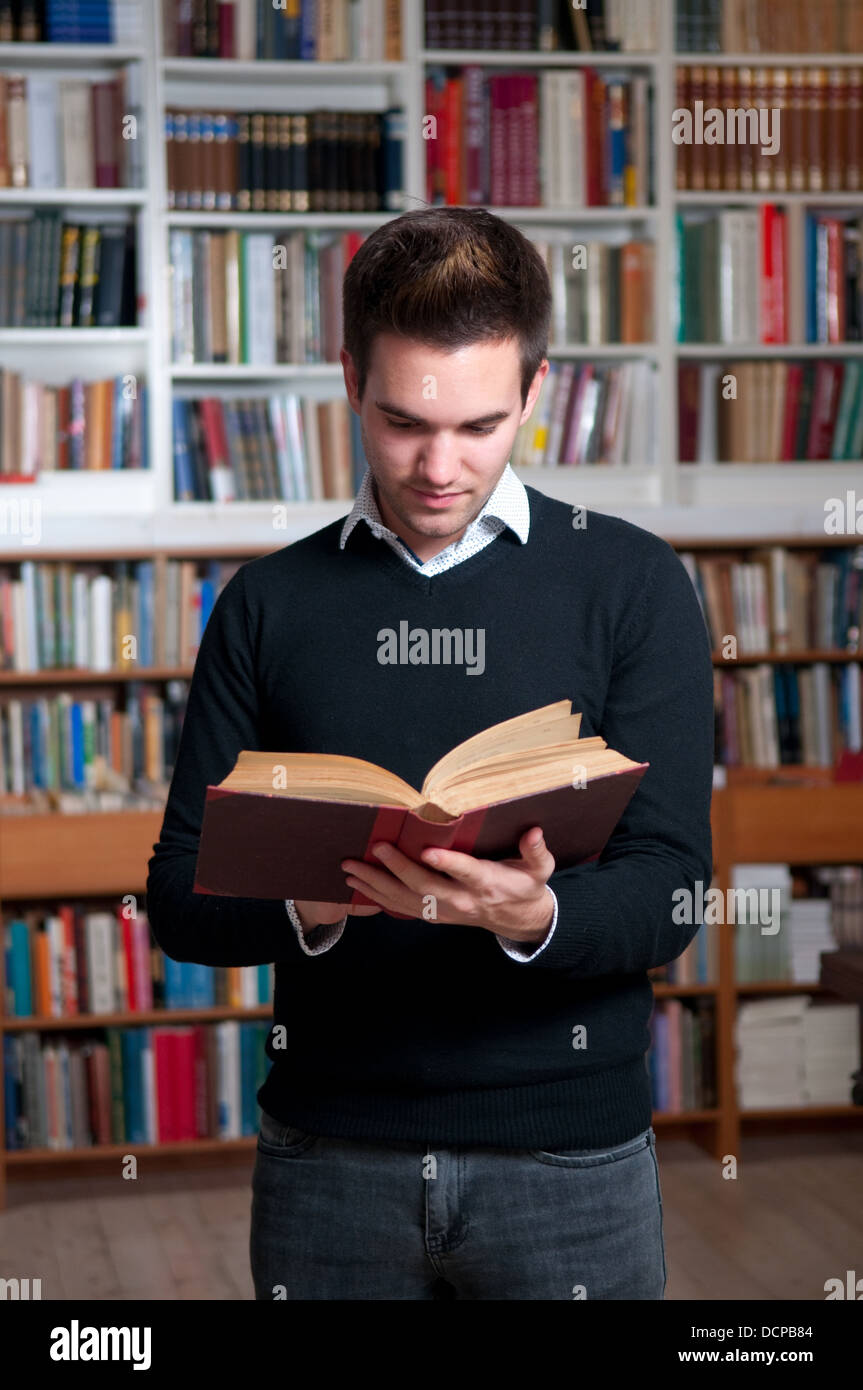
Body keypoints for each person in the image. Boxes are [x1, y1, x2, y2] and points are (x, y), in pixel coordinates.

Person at [146, 206, 714, 1301]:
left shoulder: (631, 586)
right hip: (329, 1157)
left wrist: (531, 916)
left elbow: (673, 892)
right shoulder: (267, 605)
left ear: (535, 393)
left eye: (481, 425)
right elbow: (177, 897)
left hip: (568, 1158)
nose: (439, 466)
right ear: (346, 376)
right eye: (402, 420)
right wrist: (314, 902)